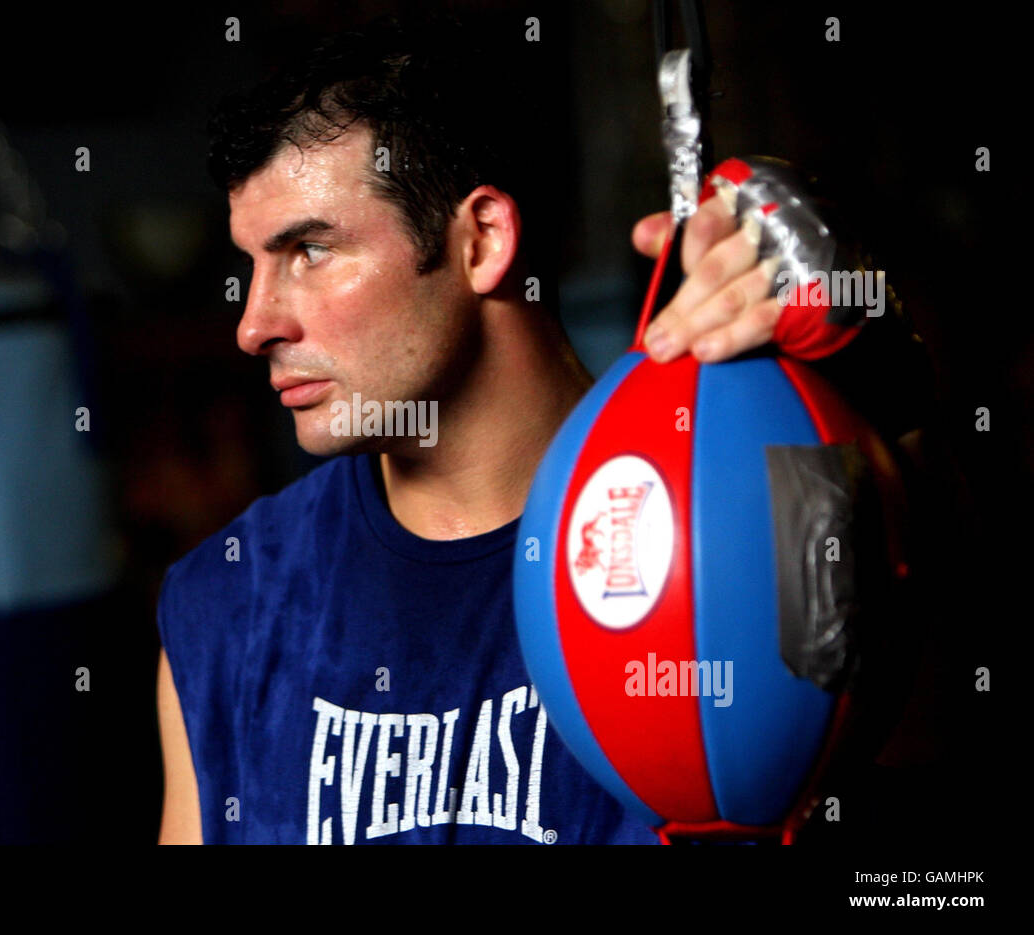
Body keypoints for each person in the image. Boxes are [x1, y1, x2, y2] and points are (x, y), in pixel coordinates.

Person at [155, 15, 927, 844]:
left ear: (482, 239)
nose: (253, 324)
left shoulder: (742, 530)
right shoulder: (231, 604)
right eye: (252, 268)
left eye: (308, 250)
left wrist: (870, 370)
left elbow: (937, 772)